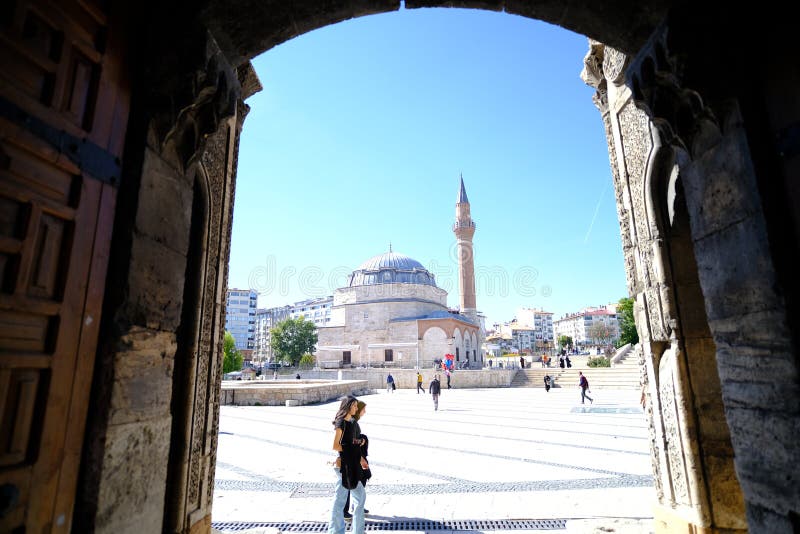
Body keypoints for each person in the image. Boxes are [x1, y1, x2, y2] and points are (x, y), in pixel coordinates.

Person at [328, 396, 368, 534]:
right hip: (344, 466)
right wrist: (352, 448)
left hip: (351, 464)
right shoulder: (341, 423)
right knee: (341, 501)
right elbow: (335, 445)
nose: (356, 408)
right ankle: (337, 531)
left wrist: (359, 443)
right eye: (355, 406)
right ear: (349, 406)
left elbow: (350, 442)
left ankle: (354, 531)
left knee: (355, 497)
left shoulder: (351, 422)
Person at [343, 401, 371, 519]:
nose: (365, 411)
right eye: (363, 409)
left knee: (357, 481)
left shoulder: (354, 422)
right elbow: (350, 442)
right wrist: (362, 441)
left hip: (355, 455)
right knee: (352, 483)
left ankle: (357, 504)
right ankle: (349, 509)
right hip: (354, 457)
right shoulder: (352, 422)